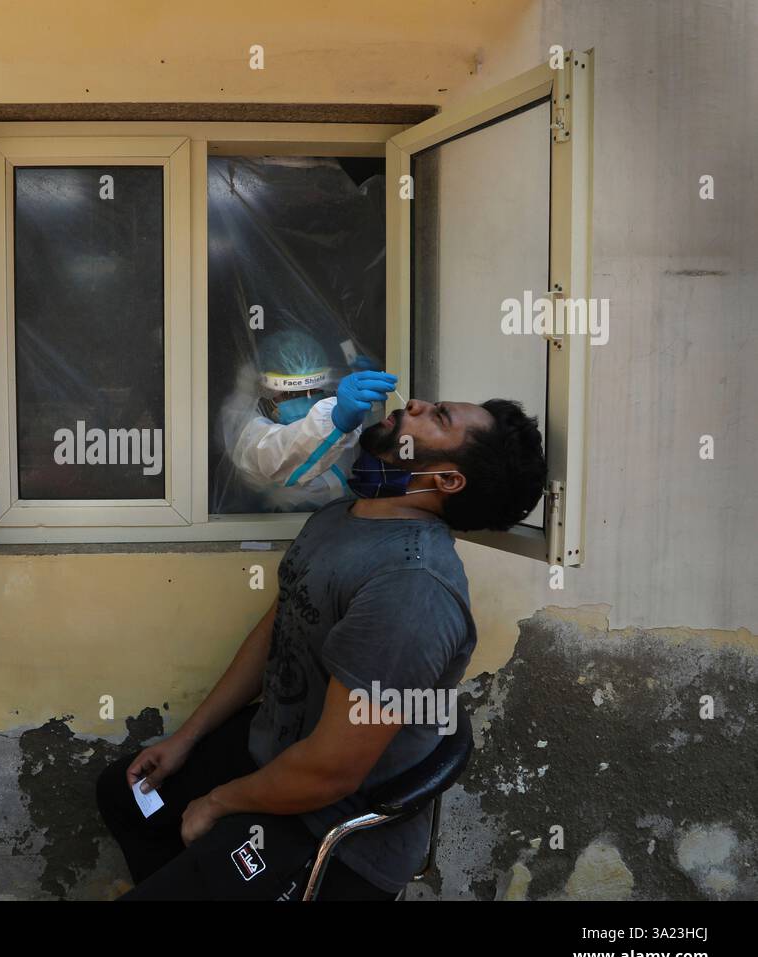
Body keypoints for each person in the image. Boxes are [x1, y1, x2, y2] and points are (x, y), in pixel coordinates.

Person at [98, 395, 547, 899]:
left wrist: (217, 804)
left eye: (438, 418)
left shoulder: (411, 587)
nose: (416, 404)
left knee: (197, 834)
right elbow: (280, 626)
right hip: (274, 759)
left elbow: (330, 772)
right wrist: (187, 738)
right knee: (128, 797)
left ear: (446, 480)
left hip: (332, 828)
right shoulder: (345, 516)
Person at [218, 329, 397, 512]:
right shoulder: (242, 427)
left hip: (347, 519)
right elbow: (277, 452)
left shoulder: (337, 404)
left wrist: (374, 403)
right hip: (282, 527)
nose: (306, 400)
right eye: (291, 394)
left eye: (313, 391)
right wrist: (336, 421)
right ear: (264, 391)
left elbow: (369, 432)